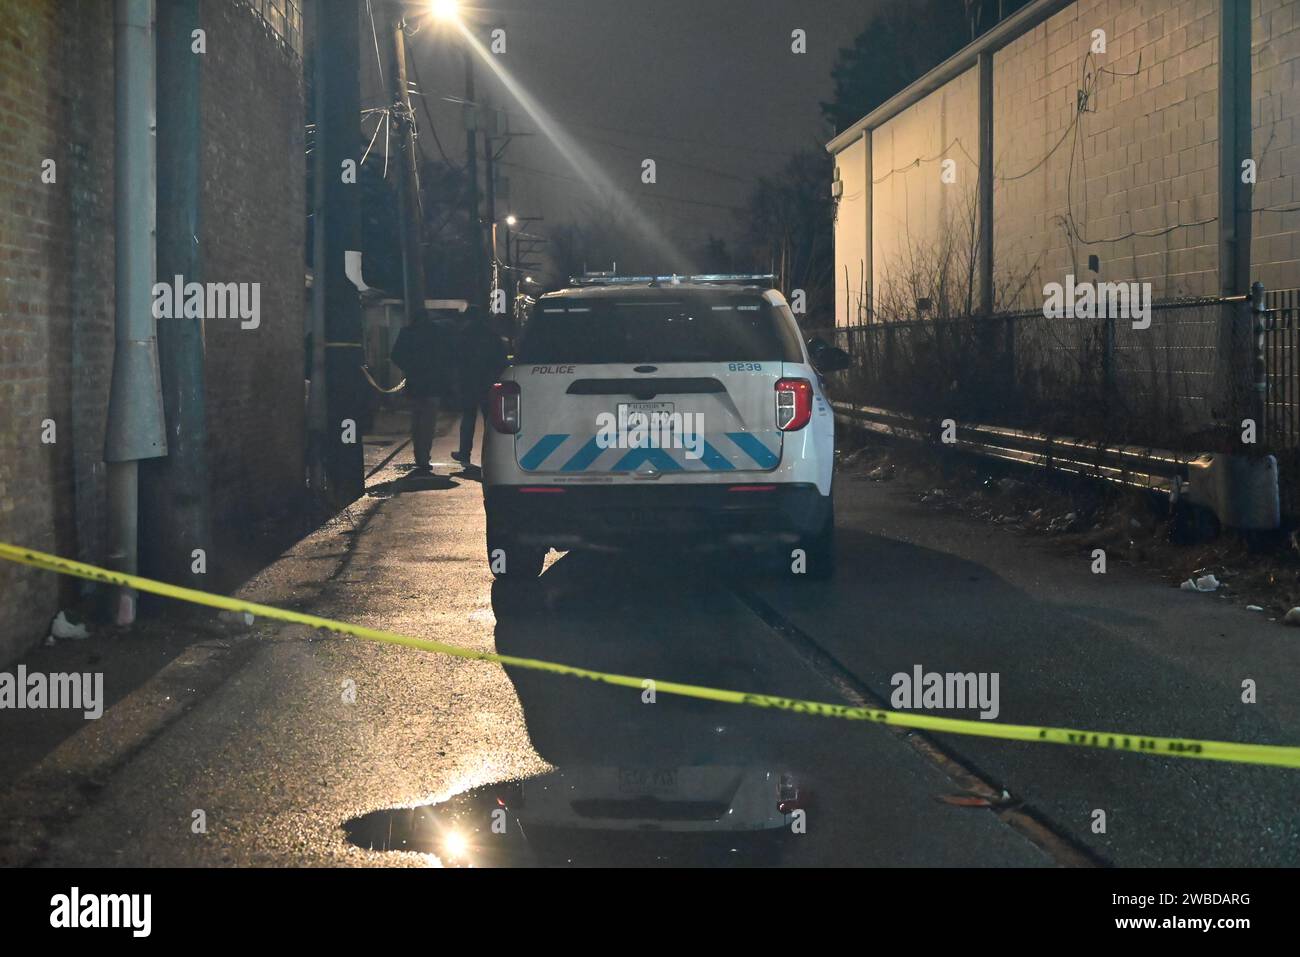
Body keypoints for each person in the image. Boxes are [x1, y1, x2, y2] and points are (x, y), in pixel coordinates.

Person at [389, 311, 449, 471]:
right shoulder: (437, 333)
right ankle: (424, 455)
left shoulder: (407, 332)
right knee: (429, 423)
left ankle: (419, 454)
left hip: (415, 383)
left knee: (417, 421)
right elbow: (446, 356)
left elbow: (395, 355)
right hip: (433, 384)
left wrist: (410, 367)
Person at [450, 310, 508, 467]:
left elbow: (455, 360)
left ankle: (464, 453)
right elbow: (502, 360)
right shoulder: (493, 336)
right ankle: (491, 454)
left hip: (468, 383)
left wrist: (456, 381)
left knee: (468, 418)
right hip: (488, 383)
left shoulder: (463, 336)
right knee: (489, 420)